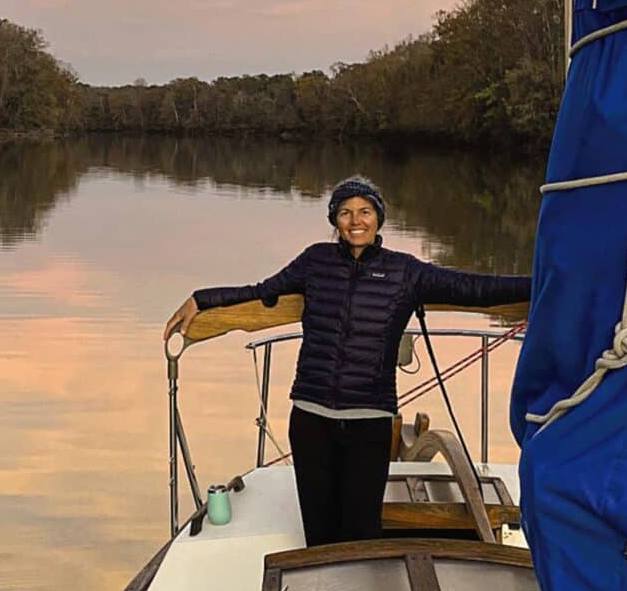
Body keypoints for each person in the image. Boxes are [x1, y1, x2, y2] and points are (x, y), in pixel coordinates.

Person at [164, 176, 530, 547]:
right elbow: (262, 292)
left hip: (368, 421)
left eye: (365, 212)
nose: (356, 221)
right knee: (318, 535)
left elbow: (476, 289)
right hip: (311, 418)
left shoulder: (406, 272)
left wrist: (546, 283)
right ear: (335, 221)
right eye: (345, 213)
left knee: (361, 533)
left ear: (379, 219)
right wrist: (202, 299)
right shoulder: (315, 261)